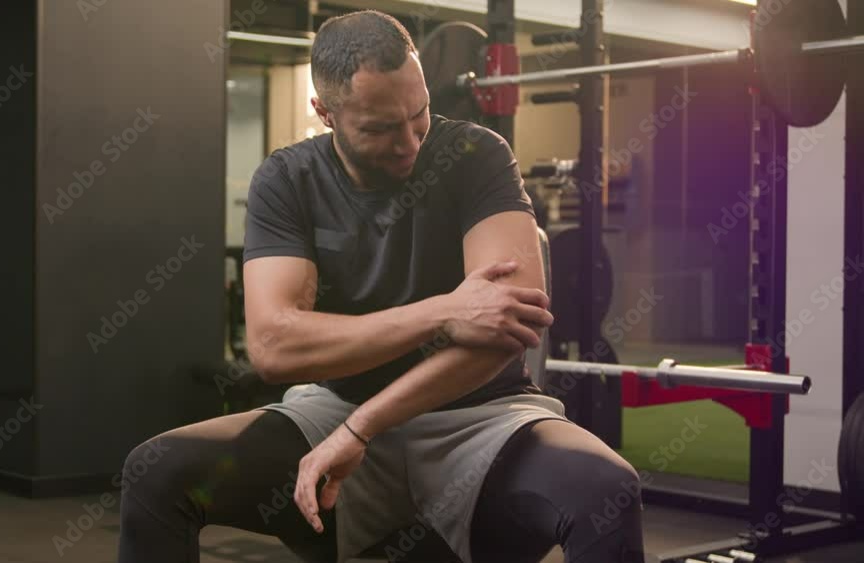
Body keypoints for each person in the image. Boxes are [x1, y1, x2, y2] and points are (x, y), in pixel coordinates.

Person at [117, 10, 645, 563]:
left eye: (419, 115)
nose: (409, 143)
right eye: (379, 128)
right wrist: (441, 313)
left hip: (480, 417)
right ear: (324, 113)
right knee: (158, 472)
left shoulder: (477, 155)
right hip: (332, 408)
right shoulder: (287, 179)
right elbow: (273, 346)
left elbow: (507, 330)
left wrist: (362, 427)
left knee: (605, 489)